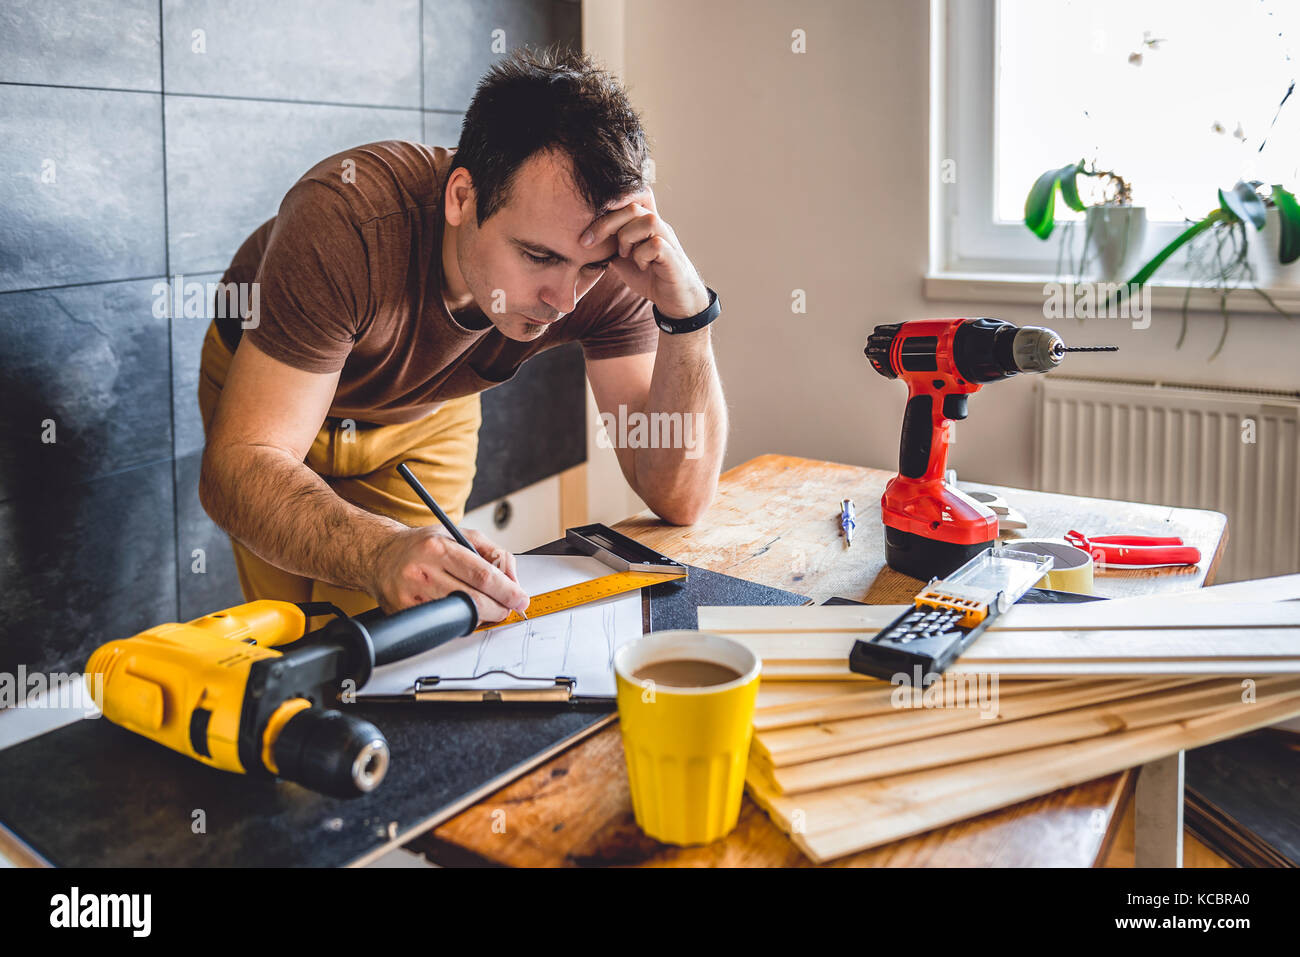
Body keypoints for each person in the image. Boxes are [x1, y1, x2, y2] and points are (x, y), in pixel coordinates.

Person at [196, 47, 727, 626]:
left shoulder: (611, 263)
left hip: (426, 409)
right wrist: (378, 550)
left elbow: (677, 498)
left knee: (417, 620)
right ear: (461, 197)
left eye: (589, 267)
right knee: (300, 636)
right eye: (537, 255)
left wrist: (688, 317)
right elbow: (237, 469)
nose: (565, 300)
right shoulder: (345, 221)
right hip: (270, 394)